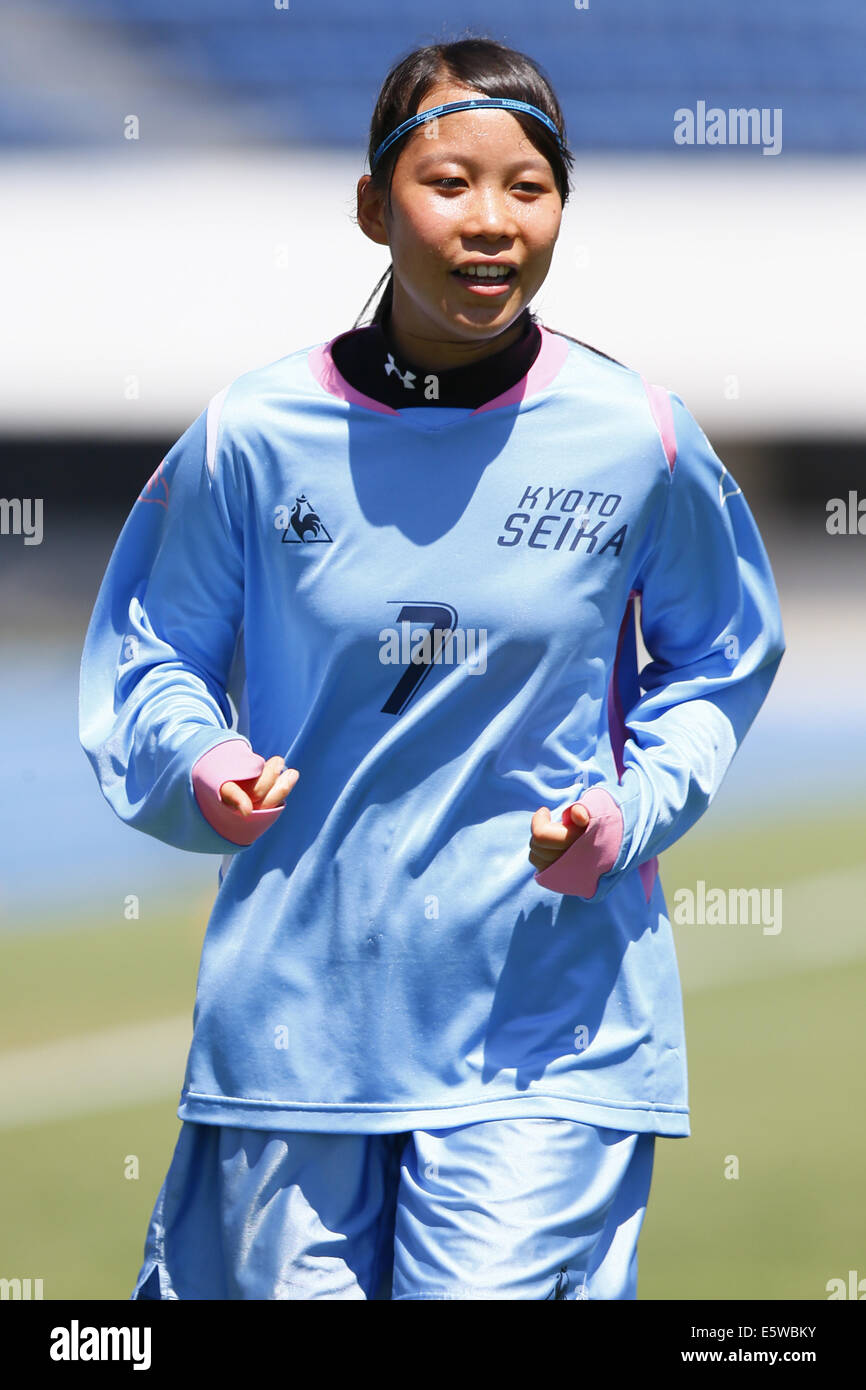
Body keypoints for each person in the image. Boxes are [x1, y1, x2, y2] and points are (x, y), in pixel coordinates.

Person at [78, 36, 785, 1301]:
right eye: (448, 183)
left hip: (546, 1026)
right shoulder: (252, 434)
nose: (492, 222)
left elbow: (721, 656)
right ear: (370, 206)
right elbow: (153, 652)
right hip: (297, 1025)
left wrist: (626, 811)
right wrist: (203, 760)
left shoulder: (639, 439)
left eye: (528, 187)